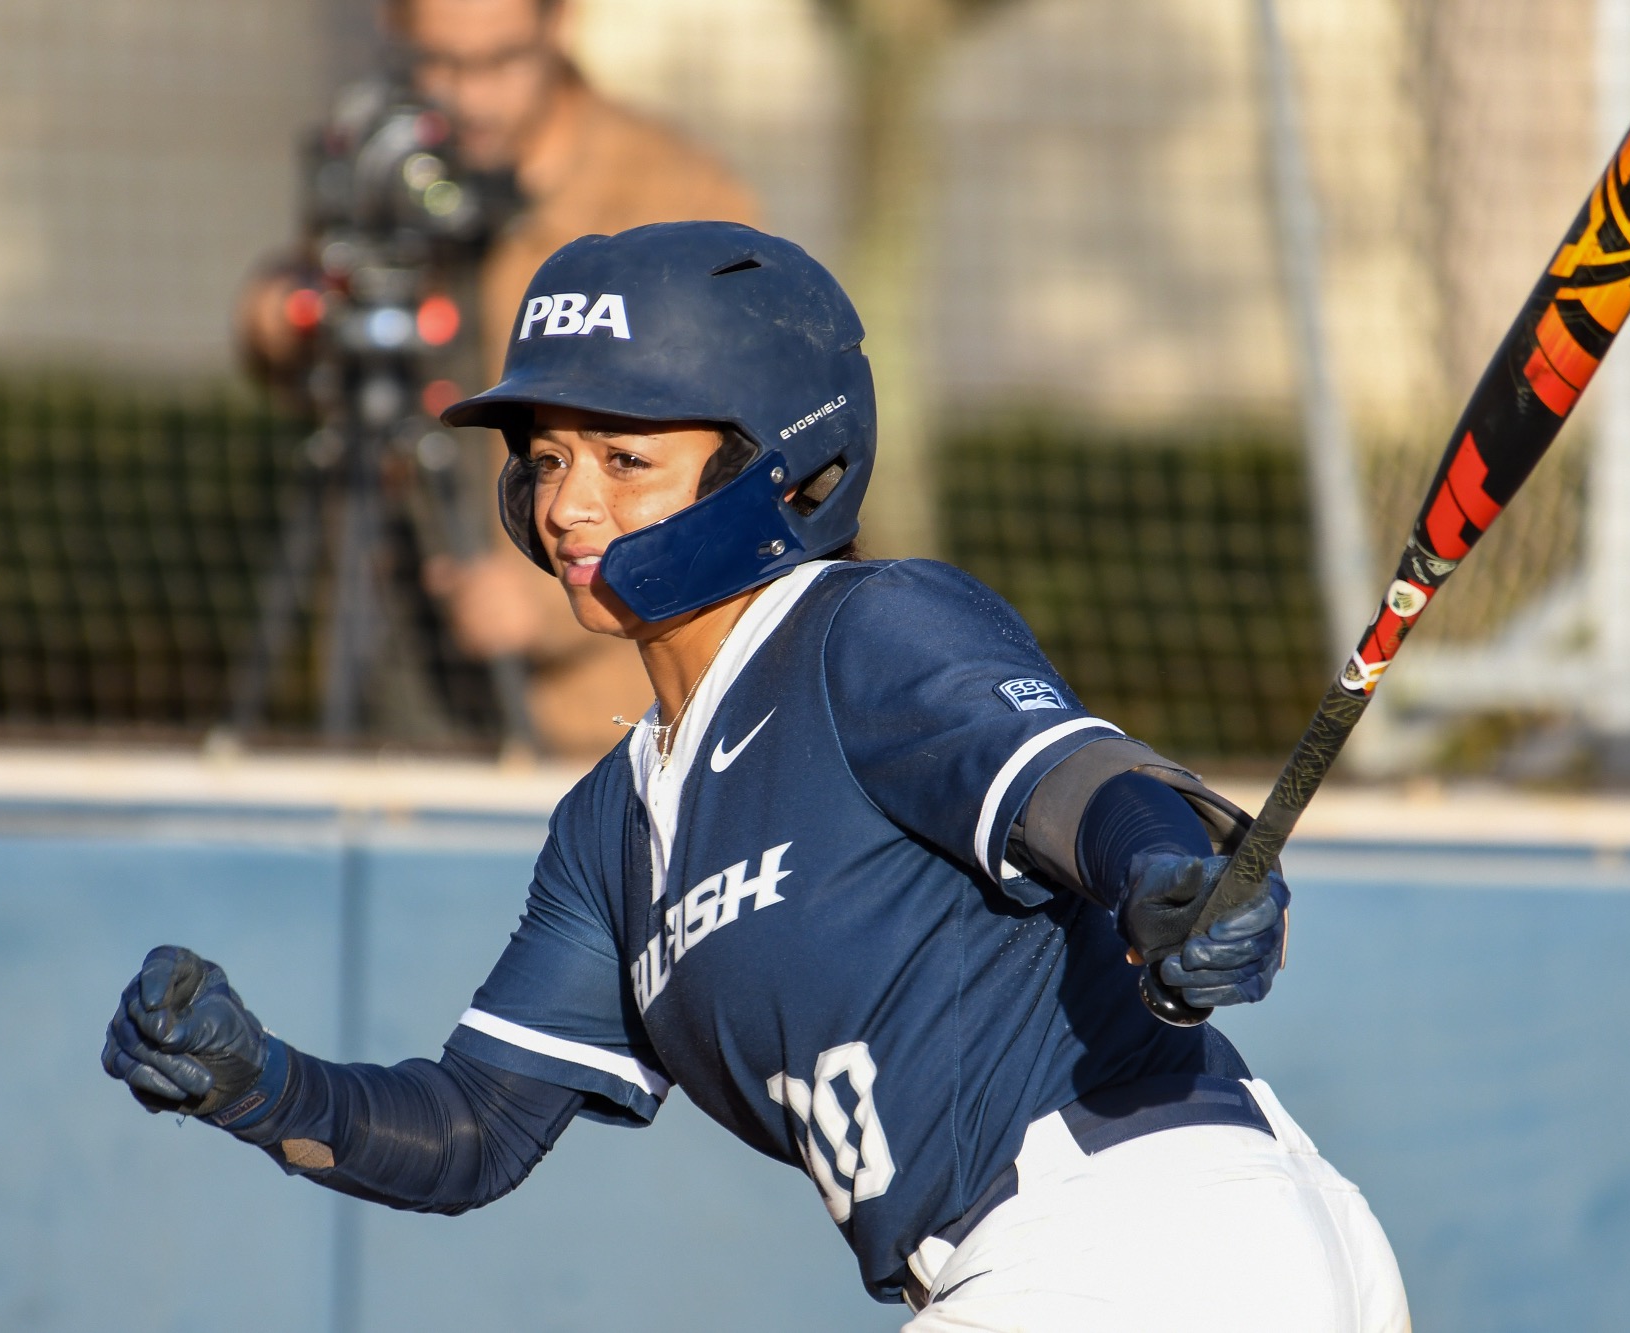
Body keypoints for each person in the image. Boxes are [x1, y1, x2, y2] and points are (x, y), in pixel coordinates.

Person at [110, 222, 1408, 1329]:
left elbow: (1073, 780)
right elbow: (470, 1130)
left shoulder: (861, 630)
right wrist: (257, 1084)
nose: (566, 505)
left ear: (772, 465)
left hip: (1143, 1240)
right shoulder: (612, 830)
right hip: (1107, 1261)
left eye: (625, 458)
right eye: (546, 458)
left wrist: (1165, 868)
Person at [242, 0, 761, 760]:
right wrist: (278, 317)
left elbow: (756, 468)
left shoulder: (673, 193)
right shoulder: (392, 164)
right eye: (438, 62)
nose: (469, 95)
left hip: (601, 718)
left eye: (500, 61)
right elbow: (308, 345)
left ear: (560, 23)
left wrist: (558, 588)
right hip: (400, 674)